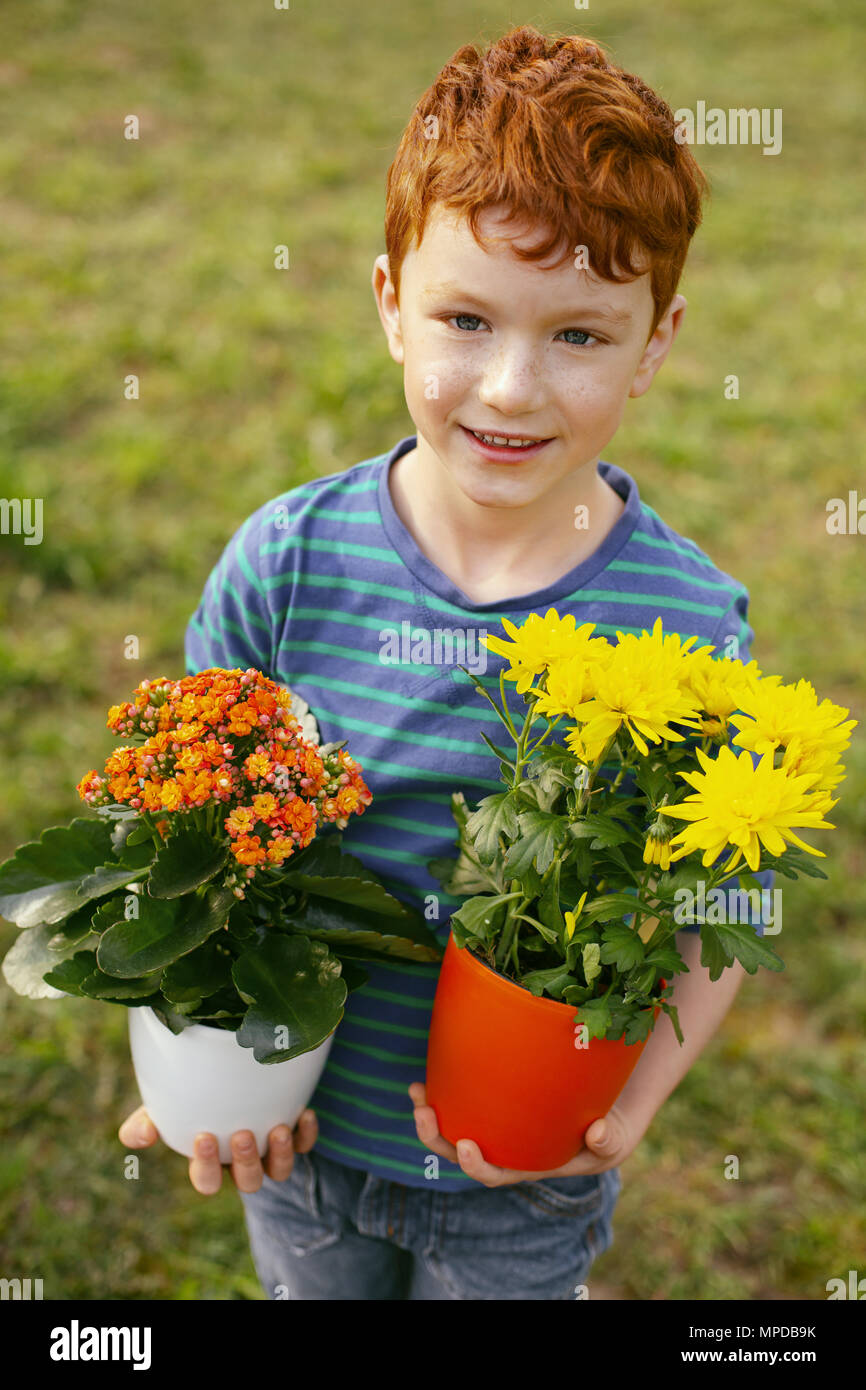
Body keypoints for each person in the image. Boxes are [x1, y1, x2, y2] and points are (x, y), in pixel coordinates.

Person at [119, 24, 772, 1299]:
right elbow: (181, 850)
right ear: (386, 305)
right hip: (300, 1146)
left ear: (657, 341)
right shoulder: (283, 565)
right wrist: (198, 1083)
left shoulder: (687, 628)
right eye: (464, 319)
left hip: (521, 1183)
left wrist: (626, 1109)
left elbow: (723, 907)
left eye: (579, 335)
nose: (511, 388)